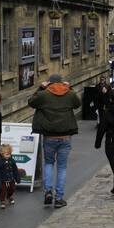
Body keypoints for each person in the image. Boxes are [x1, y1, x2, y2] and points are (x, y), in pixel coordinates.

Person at [29, 74, 80, 208]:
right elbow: (77, 103)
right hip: (65, 136)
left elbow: (31, 102)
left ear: (49, 83)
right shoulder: (69, 93)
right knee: (62, 167)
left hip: (49, 137)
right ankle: (59, 198)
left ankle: (48, 192)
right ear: (62, 83)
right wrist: (70, 87)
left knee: (49, 164)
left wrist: (40, 88)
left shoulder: (44, 94)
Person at [0, 143, 20, 208]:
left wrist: (17, 178)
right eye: (7, 154)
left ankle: (9, 196)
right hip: (2, 180)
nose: (8, 156)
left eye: (9, 154)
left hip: (11, 179)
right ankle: (2, 201)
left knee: (12, 189)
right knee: (2, 190)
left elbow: (15, 170)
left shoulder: (12, 161)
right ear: (2, 154)